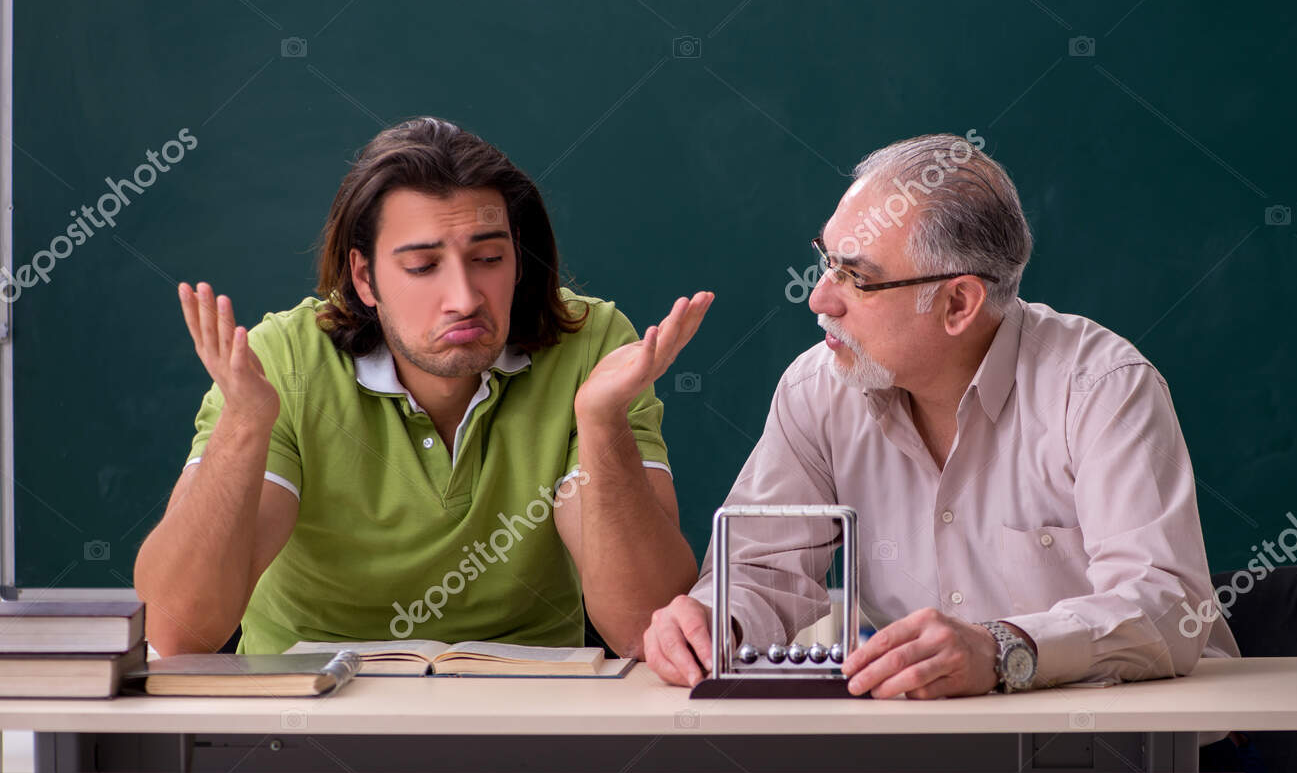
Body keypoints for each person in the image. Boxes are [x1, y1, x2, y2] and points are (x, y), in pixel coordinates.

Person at [642, 132, 1238, 699]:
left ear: (958, 303)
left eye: (856, 276)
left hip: (1135, 758)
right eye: (826, 261)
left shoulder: (1098, 388)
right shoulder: (817, 387)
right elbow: (760, 573)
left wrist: (1003, 650)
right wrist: (716, 621)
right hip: (934, 757)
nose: (819, 297)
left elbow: (1166, 606)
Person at [134, 117, 710, 657]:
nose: (463, 296)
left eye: (488, 257)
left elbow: (646, 625)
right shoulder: (280, 360)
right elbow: (179, 631)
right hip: (308, 722)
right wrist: (243, 428)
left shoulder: (592, 347)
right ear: (364, 277)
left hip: (528, 719)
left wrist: (602, 421)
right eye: (422, 267)